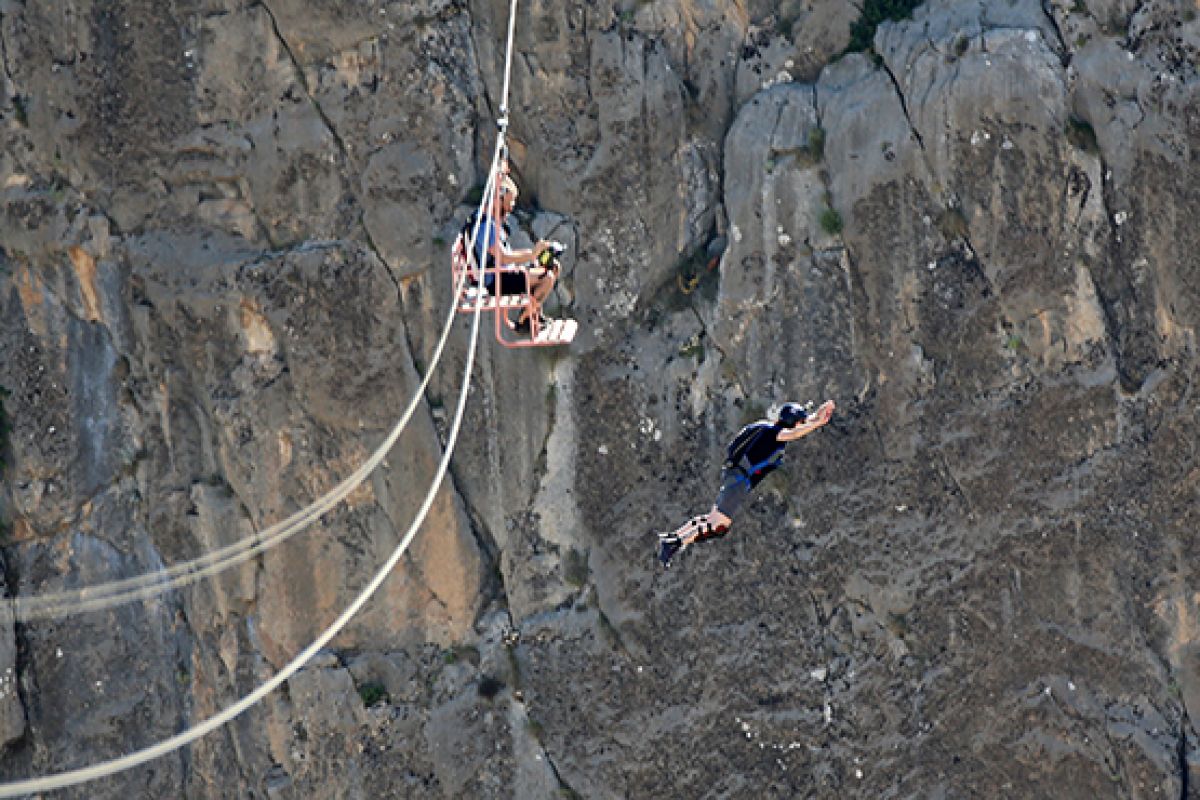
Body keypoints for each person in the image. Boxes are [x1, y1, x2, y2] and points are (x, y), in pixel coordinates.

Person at [656, 400, 836, 568]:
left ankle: (674, 537)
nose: (802, 424)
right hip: (740, 481)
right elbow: (795, 432)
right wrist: (817, 423)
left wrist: (817, 417)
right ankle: (675, 543)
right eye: (800, 421)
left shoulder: (767, 428)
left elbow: (797, 426)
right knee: (719, 525)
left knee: (712, 518)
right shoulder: (775, 434)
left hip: (734, 475)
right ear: (792, 422)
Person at [475, 173, 557, 333]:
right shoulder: (486, 226)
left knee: (553, 267)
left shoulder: (490, 220)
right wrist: (532, 254)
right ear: (499, 199)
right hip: (495, 280)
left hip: (502, 272)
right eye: (510, 200)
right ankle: (525, 320)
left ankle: (532, 314)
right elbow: (503, 257)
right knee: (547, 277)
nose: (512, 206)